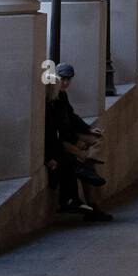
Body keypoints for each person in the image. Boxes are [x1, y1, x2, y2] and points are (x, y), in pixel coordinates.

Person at [44, 63, 113, 223]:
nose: (66, 83)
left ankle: (85, 163)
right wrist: (76, 141)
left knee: (97, 140)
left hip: (69, 138)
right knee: (89, 171)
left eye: (69, 79)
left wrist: (88, 130)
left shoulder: (62, 96)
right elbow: (57, 130)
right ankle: (93, 206)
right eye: (63, 79)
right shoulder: (50, 100)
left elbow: (72, 117)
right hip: (62, 143)